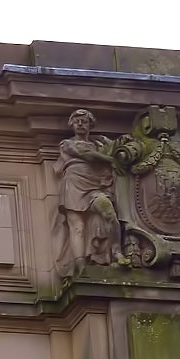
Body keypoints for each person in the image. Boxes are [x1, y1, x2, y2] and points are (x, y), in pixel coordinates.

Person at [52, 108, 120, 272]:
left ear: (90, 125)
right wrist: (111, 160)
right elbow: (86, 154)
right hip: (74, 184)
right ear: (72, 125)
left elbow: (115, 146)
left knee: (108, 212)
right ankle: (80, 265)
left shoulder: (100, 144)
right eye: (77, 121)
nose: (80, 124)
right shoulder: (67, 144)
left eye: (84, 121)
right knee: (78, 226)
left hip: (95, 185)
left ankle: (117, 252)